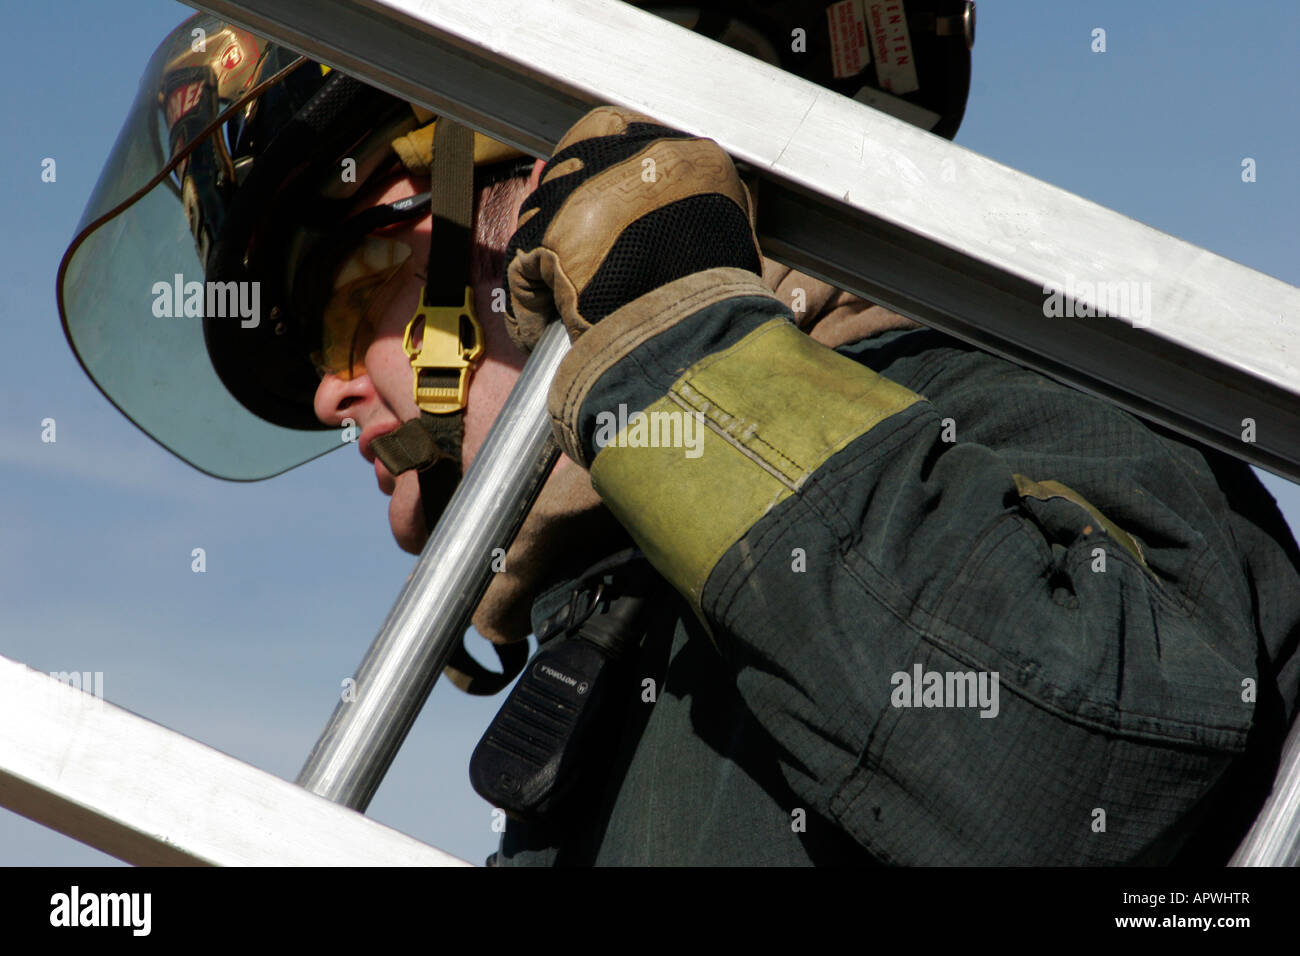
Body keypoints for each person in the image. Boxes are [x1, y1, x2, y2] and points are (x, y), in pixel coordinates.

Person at [60, 6, 1300, 866]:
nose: (336, 397)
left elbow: (1093, 772)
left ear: (553, 199)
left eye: (346, 302)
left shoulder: (993, 410)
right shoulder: (619, 624)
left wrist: (672, 360)